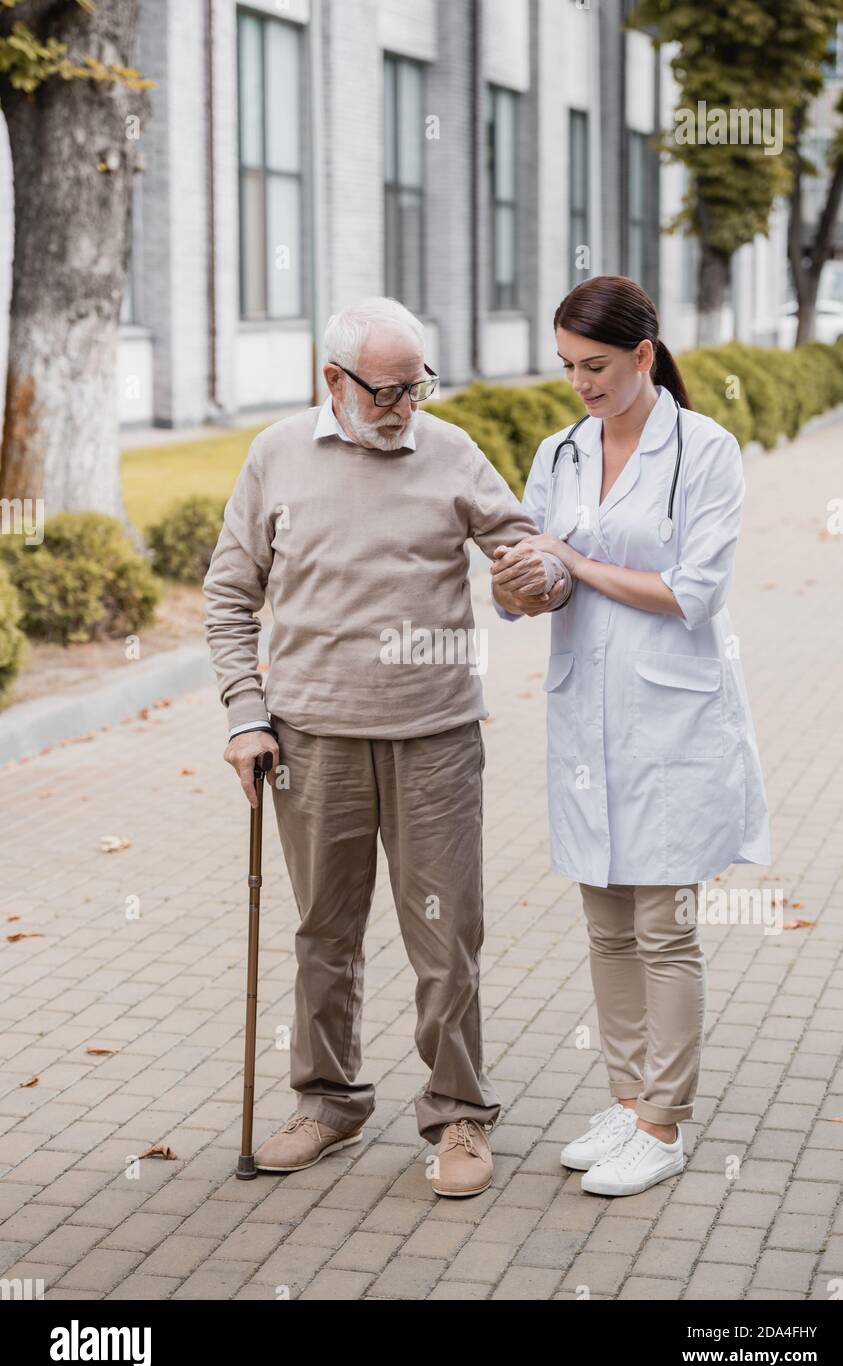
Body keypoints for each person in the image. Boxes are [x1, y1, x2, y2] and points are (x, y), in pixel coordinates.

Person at [202, 296, 572, 1198]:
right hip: (312, 738)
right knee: (323, 934)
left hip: (434, 739)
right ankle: (327, 1102)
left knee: (446, 942)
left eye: (418, 385)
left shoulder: (449, 451)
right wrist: (246, 715)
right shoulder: (275, 456)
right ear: (333, 381)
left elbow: (524, 556)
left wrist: (536, 581)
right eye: (388, 390)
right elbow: (227, 596)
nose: (407, 405)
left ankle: (457, 1116)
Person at [491, 274, 770, 1198]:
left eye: (597, 365)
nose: (580, 383)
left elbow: (693, 592)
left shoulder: (706, 450)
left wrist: (572, 559)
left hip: (673, 718)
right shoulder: (560, 452)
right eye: (568, 366)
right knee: (605, 926)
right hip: (586, 717)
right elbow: (546, 578)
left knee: (662, 928)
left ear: (643, 355)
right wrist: (524, 585)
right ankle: (623, 1100)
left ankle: (663, 1121)